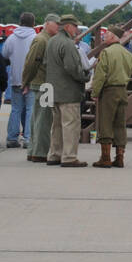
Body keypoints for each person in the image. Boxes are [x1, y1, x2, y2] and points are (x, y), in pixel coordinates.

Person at [45, 14, 91, 167]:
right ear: (68, 26)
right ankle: (69, 157)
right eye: (75, 26)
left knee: (56, 126)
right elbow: (72, 68)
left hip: (53, 90)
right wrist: (85, 76)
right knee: (71, 125)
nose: (77, 30)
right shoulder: (68, 44)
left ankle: (54, 154)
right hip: (68, 92)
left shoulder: (51, 41)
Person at [90, 26, 132, 169]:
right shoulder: (128, 54)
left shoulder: (106, 53)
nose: (104, 36)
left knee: (106, 123)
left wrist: (95, 92)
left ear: (113, 37)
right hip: (122, 90)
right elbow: (130, 70)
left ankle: (105, 158)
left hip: (109, 91)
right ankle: (120, 157)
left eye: (107, 34)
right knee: (120, 124)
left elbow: (100, 75)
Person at [21, 14, 58, 162]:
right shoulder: (41, 40)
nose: (58, 26)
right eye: (56, 24)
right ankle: (40, 152)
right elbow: (31, 63)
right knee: (43, 119)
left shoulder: (46, 39)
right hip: (44, 84)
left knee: (38, 118)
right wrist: (25, 81)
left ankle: (33, 150)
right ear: (47, 23)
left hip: (44, 83)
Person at [2, 13, 37, 149]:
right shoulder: (35, 38)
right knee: (30, 110)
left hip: (15, 78)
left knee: (15, 109)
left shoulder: (11, 38)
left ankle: (12, 138)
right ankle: (28, 138)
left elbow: (4, 54)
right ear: (33, 23)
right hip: (31, 79)